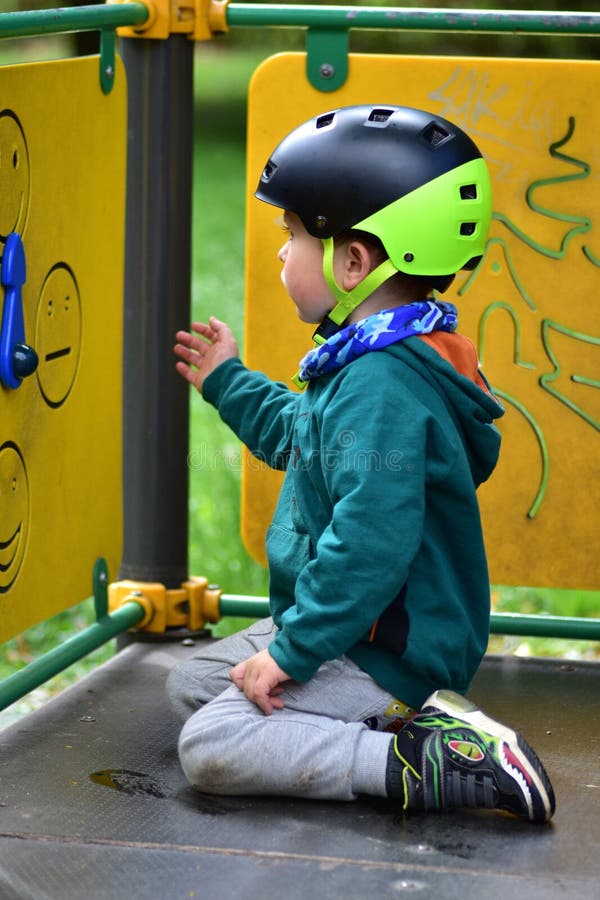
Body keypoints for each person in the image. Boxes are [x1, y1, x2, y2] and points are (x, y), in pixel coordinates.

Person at [168, 105, 555, 823]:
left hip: (386, 651)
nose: (280, 253)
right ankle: (373, 719)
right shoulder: (373, 357)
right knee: (190, 681)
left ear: (354, 261)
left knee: (210, 744)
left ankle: (419, 758)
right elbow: (302, 436)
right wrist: (227, 379)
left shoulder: (380, 385)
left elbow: (369, 546)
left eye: (292, 235)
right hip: (354, 626)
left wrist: (294, 654)